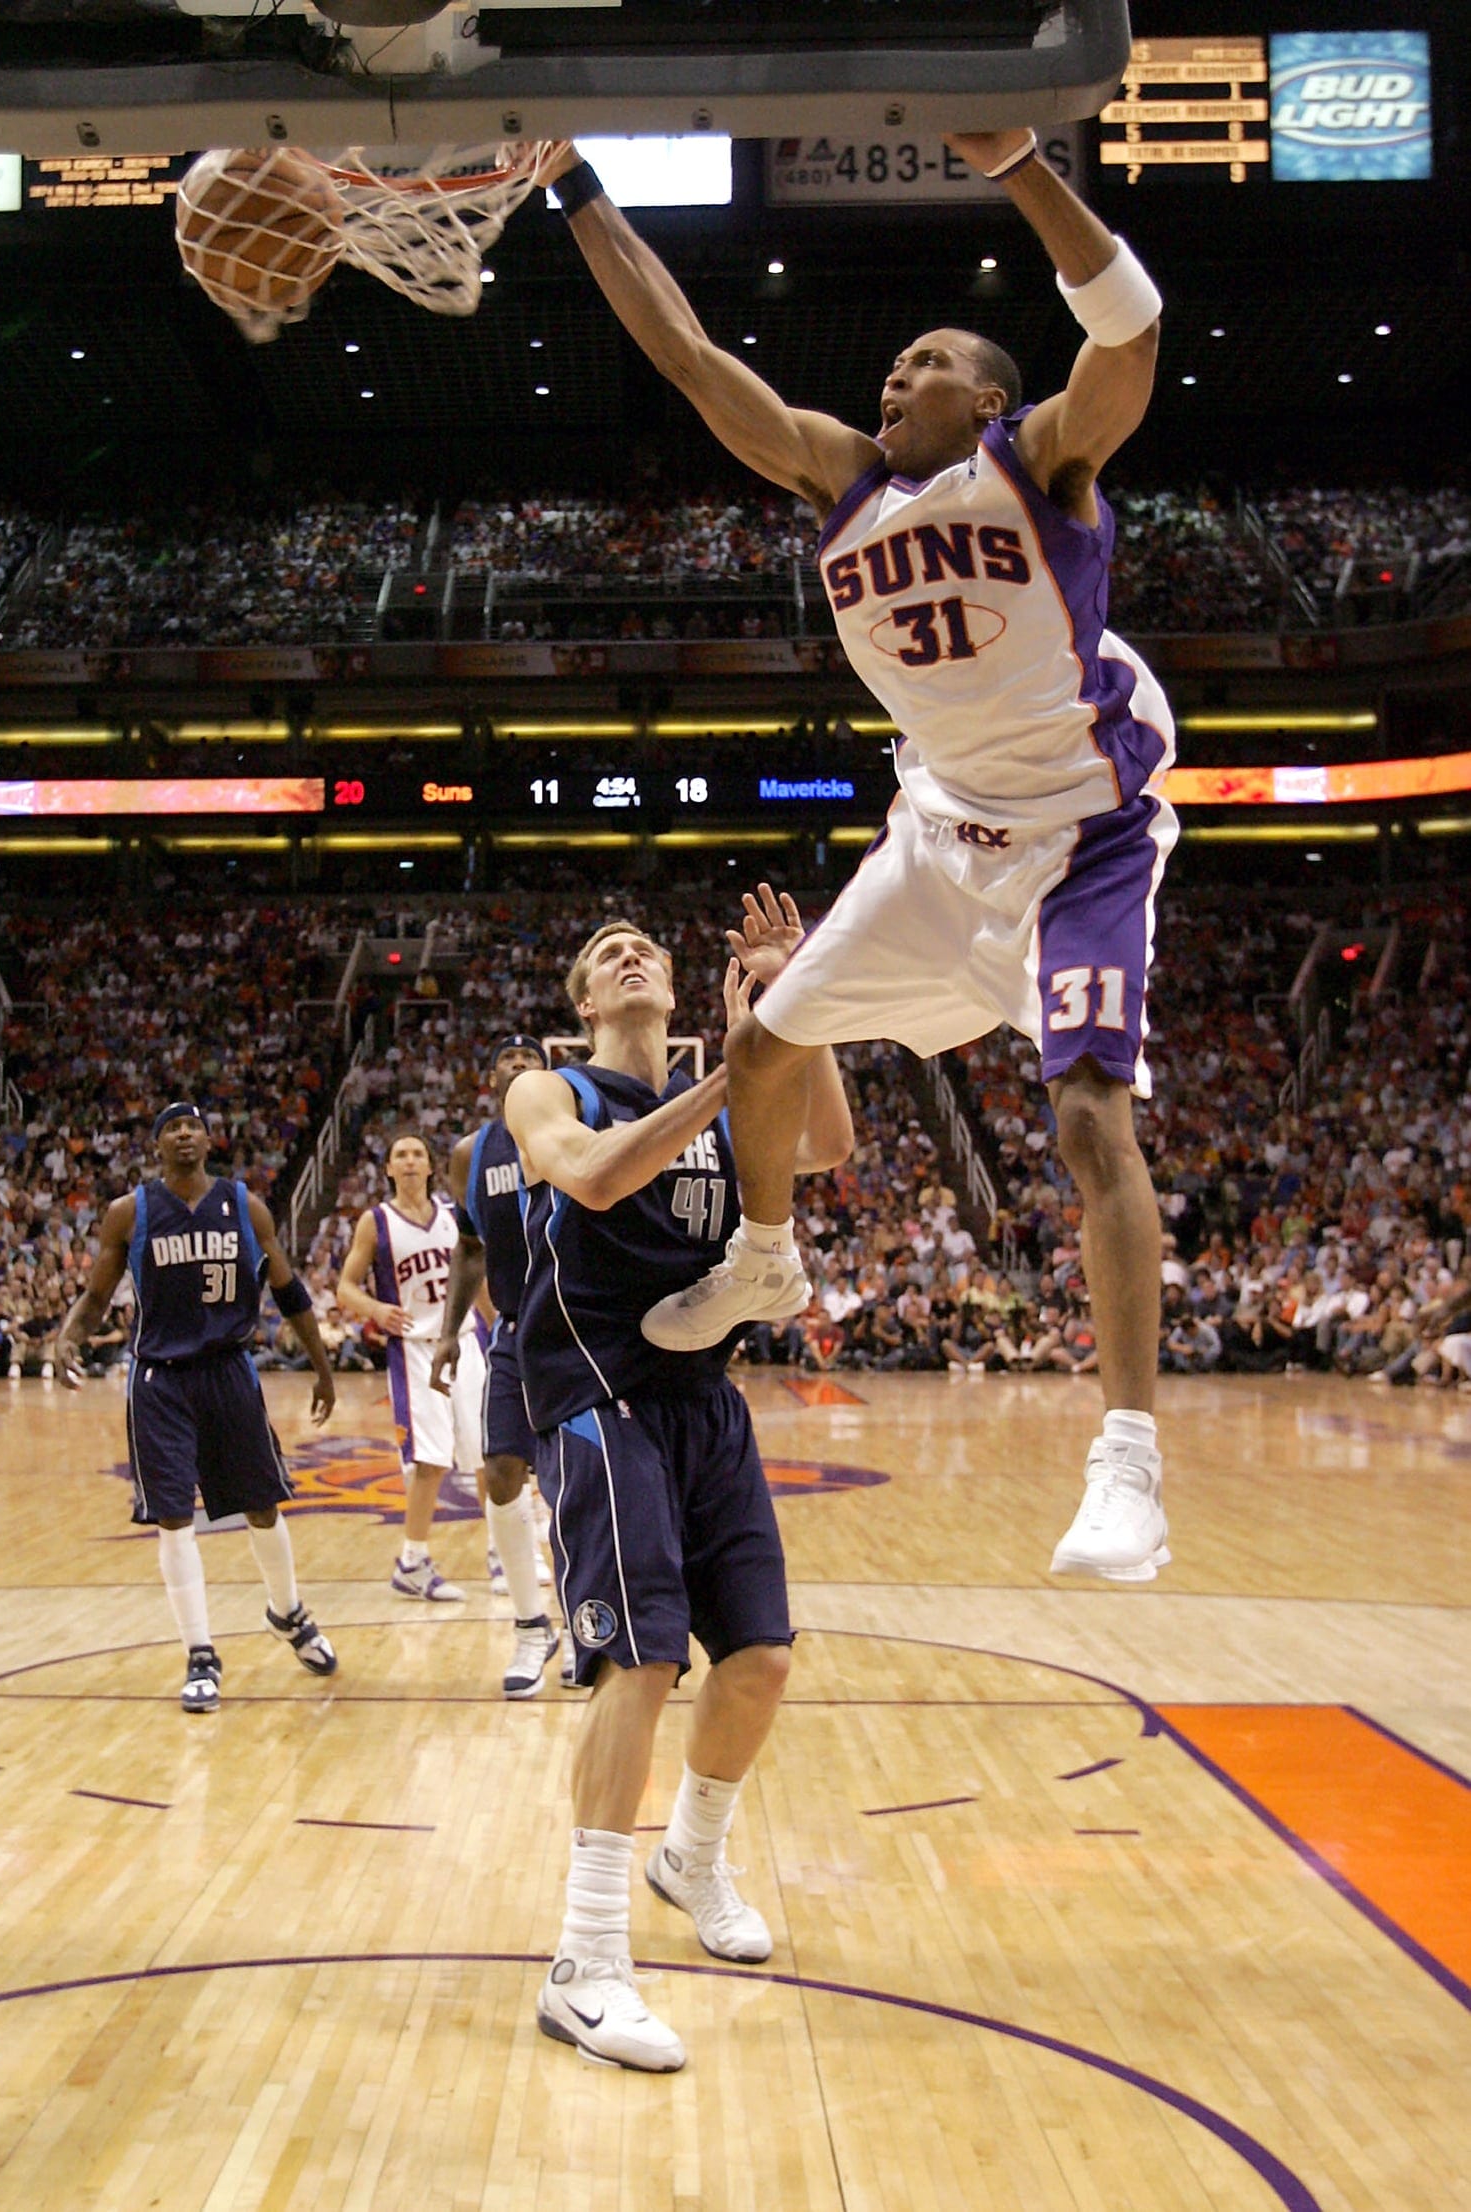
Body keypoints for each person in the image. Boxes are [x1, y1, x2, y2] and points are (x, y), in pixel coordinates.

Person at [539, 129, 1175, 1584]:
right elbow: (694, 359)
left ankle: (1129, 1465)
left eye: (929, 360)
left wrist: (1018, 162)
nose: (896, 376)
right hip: (933, 834)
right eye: (892, 365)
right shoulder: (842, 482)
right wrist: (576, 185)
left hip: (1082, 849)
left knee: (1089, 1127)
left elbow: (1130, 333)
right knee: (760, 1038)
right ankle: (767, 1253)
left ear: (994, 398)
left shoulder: (1046, 465)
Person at [501, 900, 853, 2071]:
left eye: (645, 940)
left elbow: (828, 1145)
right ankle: (585, 1963)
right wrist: (737, 1074)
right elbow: (596, 1180)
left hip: (706, 1393)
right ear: (587, 1004)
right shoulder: (551, 1097)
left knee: (759, 1659)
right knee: (641, 1657)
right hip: (601, 1396)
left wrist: (795, 1012)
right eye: (604, 952)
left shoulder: (732, 1078)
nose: (630, 950)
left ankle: (693, 1854)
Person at [53, 1102, 337, 1715]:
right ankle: (201, 1654)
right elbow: (98, 1293)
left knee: (262, 1505)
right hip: (160, 1380)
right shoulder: (130, 1213)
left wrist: (321, 1366)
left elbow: (289, 1291)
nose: (184, 1134)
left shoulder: (246, 1205)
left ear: (208, 1139)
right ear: (157, 1145)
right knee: (173, 1517)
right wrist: (67, 1335)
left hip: (229, 1370)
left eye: (193, 1126)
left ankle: (288, 1614)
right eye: (171, 1128)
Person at [432, 1036, 564, 1700]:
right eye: (505, 1062)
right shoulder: (471, 1153)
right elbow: (471, 1247)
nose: (516, 1068)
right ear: (489, 1079)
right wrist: (450, 1332)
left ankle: (591, 1619)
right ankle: (531, 1625)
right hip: (514, 1330)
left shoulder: (574, 1128)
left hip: (579, 1329)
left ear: (547, 1074)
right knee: (502, 1475)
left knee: (580, 1484)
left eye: (528, 1061)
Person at [336, 1129, 487, 1611]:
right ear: (388, 1169)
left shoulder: (452, 1215)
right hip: (415, 1349)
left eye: (416, 1154)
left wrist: (499, 1327)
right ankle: (413, 1562)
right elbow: (345, 1288)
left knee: (490, 1451)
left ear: (430, 1166)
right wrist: (376, 1311)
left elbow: (475, 1276)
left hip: (466, 1341)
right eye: (399, 1155)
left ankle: (503, 1552)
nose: (408, 1161)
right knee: (430, 1461)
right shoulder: (374, 1221)